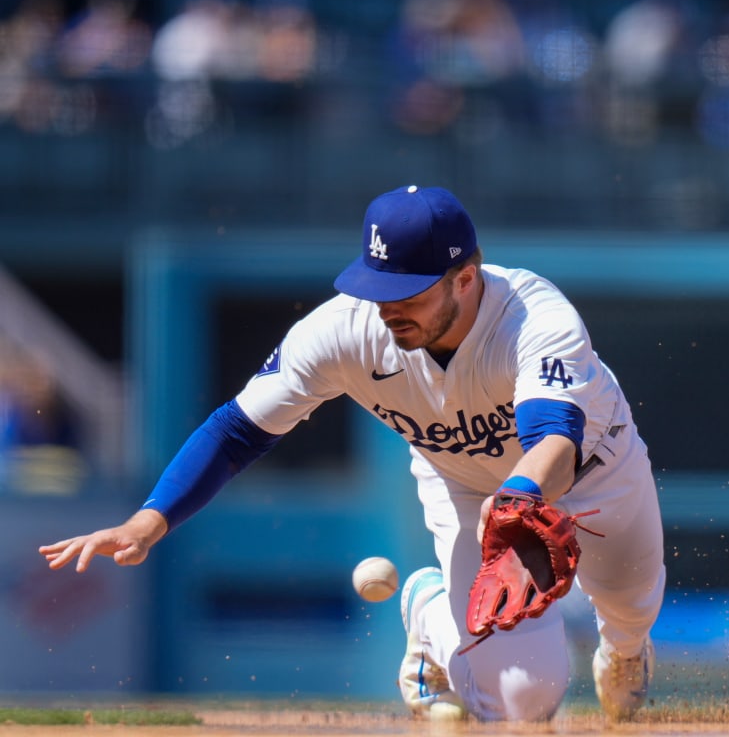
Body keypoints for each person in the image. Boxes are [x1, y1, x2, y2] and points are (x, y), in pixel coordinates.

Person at [38, 185, 665, 723]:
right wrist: (150, 520)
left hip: (592, 471)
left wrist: (522, 498)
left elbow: (554, 437)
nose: (388, 306)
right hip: (467, 488)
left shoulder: (534, 317)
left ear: (465, 278)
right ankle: (429, 610)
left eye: (409, 291)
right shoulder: (345, 329)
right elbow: (236, 430)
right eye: (376, 285)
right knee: (524, 699)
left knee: (631, 605)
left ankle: (627, 648)